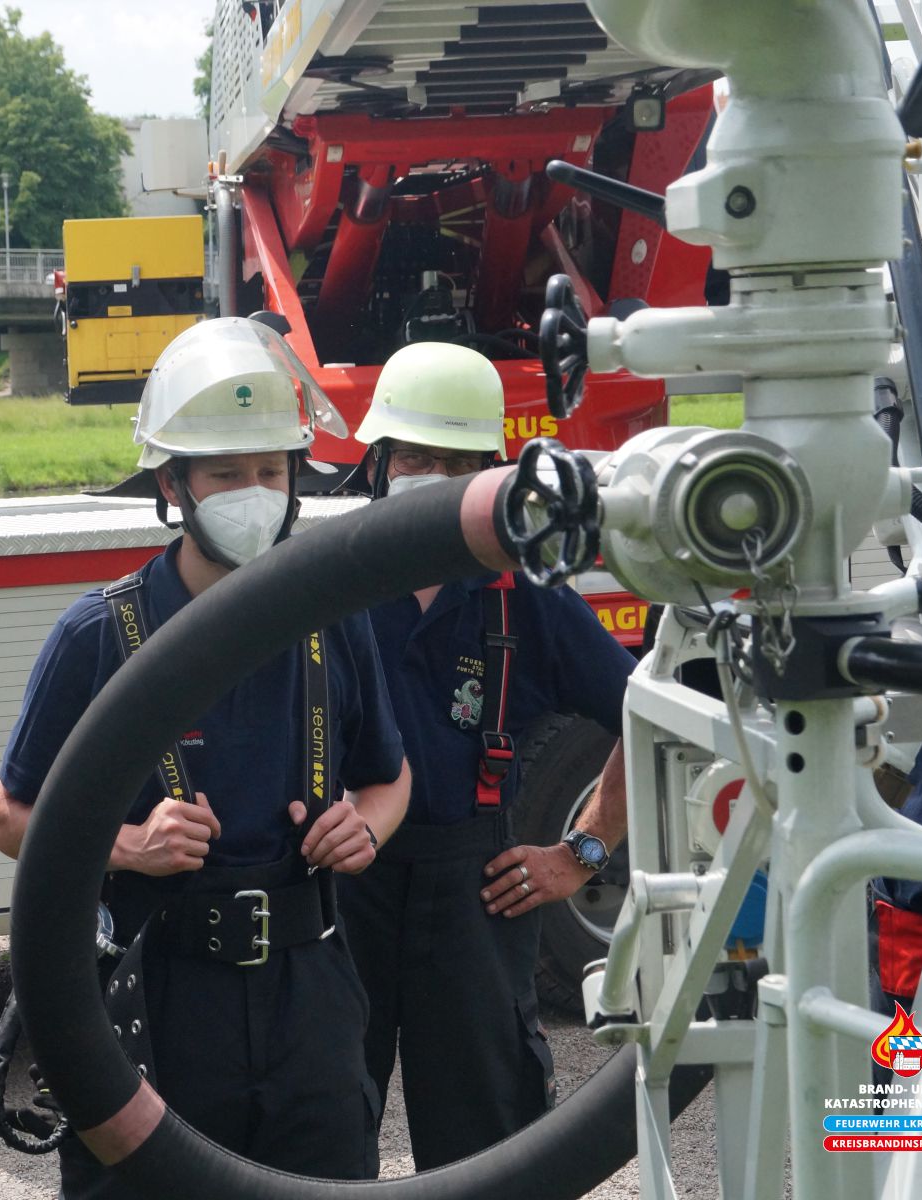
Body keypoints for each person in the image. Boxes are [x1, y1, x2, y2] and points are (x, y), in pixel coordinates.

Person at [0, 316, 411, 1194]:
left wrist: (363, 827)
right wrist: (128, 843)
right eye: (226, 473)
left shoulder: (336, 614)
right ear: (173, 482)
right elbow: (8, 818)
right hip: (159, 988)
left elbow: (389, 777)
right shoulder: (100, 635)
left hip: (311, 991)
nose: (252, 491)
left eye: (269, 470)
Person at [338, 340, 633, 1169]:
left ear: (492, 475)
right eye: (416, 456)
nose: (431, 475)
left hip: (478, 892)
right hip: (339, 889)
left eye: (457, 461)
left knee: (488, 1148)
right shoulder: (323, 581)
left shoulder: (529, 595)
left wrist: (584, 849)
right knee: (318, 1125)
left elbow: (653, 716)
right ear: (377, 462)